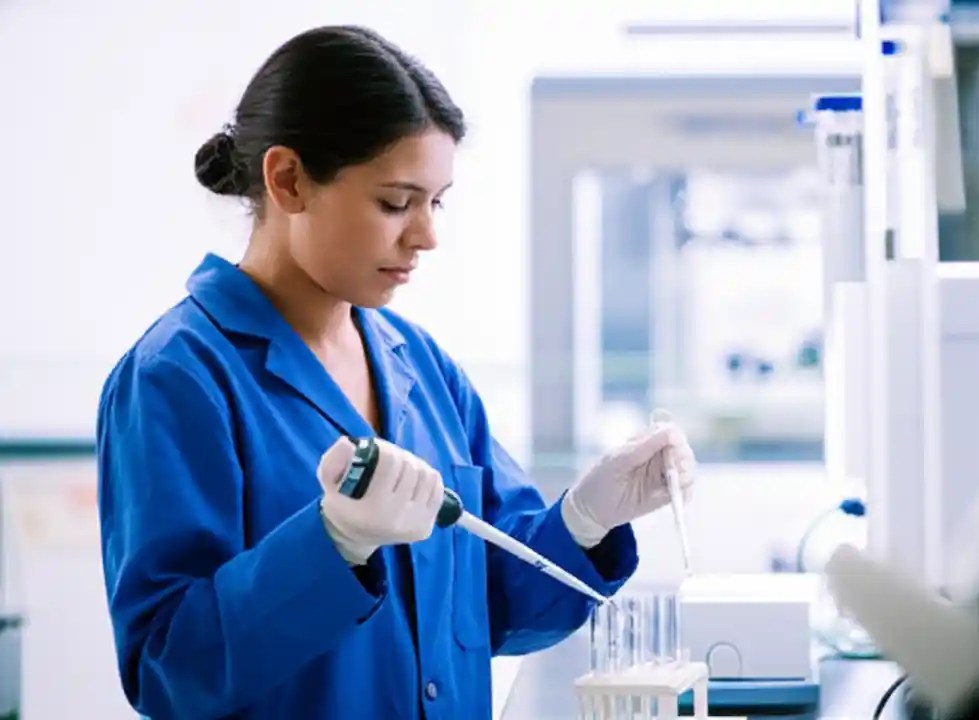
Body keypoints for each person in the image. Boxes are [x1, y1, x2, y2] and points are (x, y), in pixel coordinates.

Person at [95, 25, 696, 720]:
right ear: (288, 180)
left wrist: (584, 520)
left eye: (434, 203)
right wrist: (332, 545)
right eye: (395, 202)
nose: (426, 236)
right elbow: (171, 671)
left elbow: (493, 603)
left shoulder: (423, 369)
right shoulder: (178, 380)